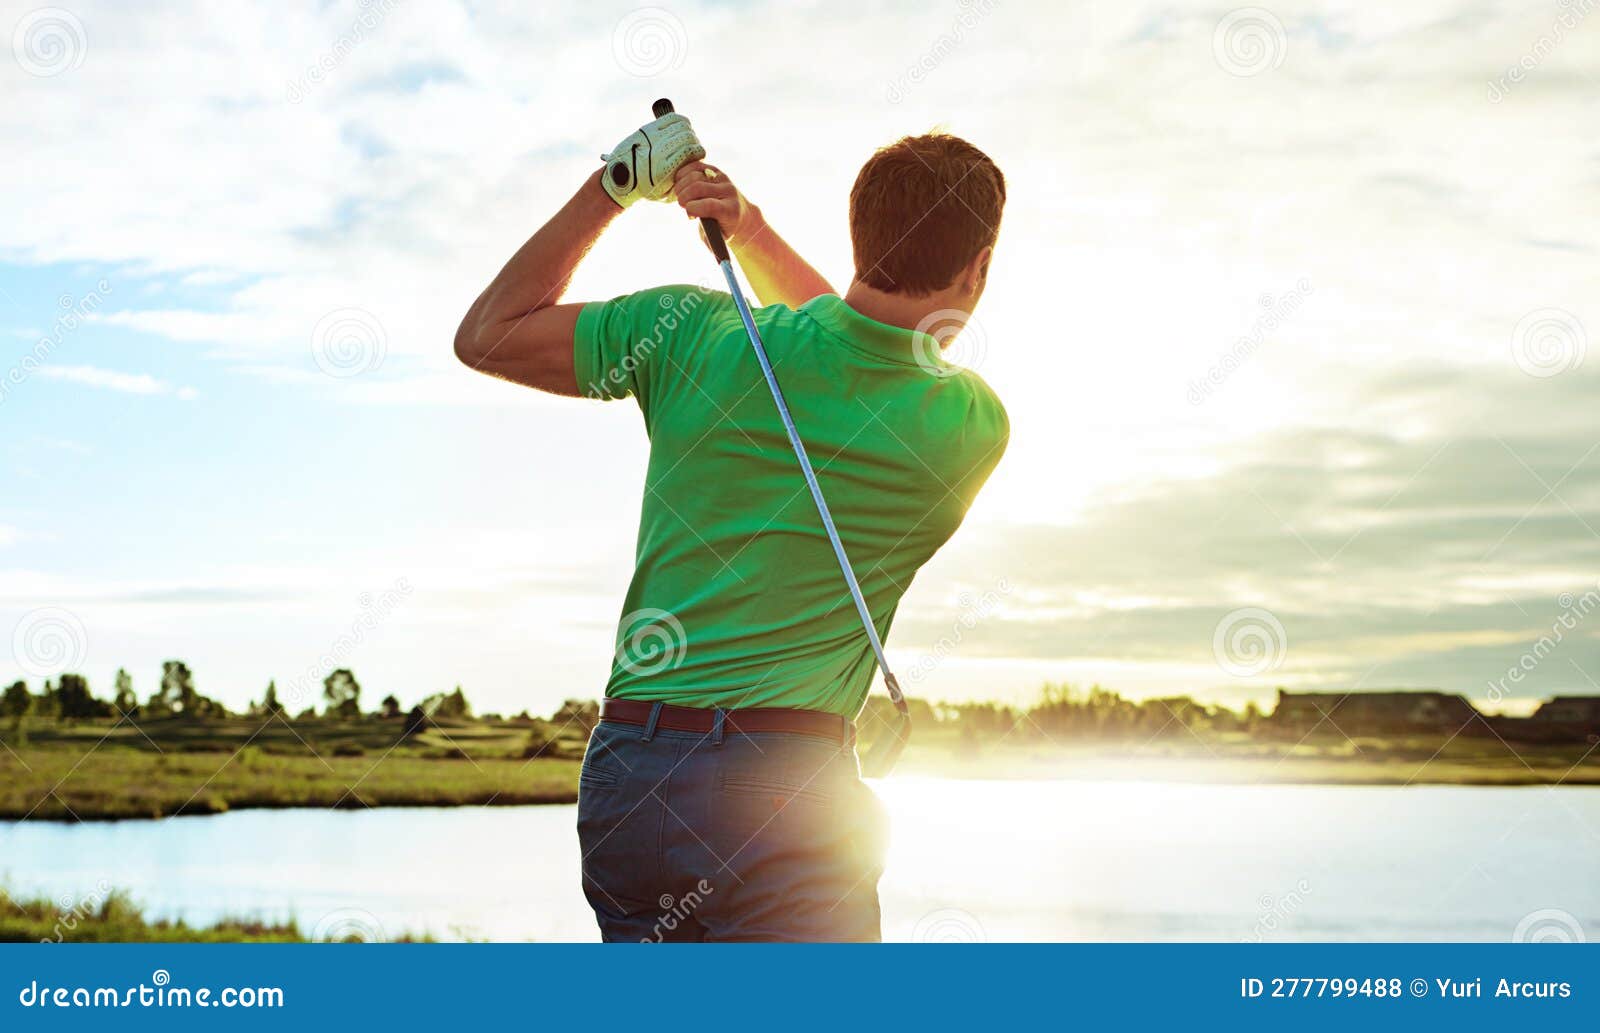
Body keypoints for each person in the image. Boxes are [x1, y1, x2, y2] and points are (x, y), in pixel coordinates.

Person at [454, 111, 1009, 941]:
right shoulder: (967, 424)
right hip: (786, 783)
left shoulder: (692, 333)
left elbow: (486, 335)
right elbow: (849, 337)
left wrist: (616, 186)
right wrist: (753, 234)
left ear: (862, 237)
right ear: (980, 268)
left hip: (632, 768)